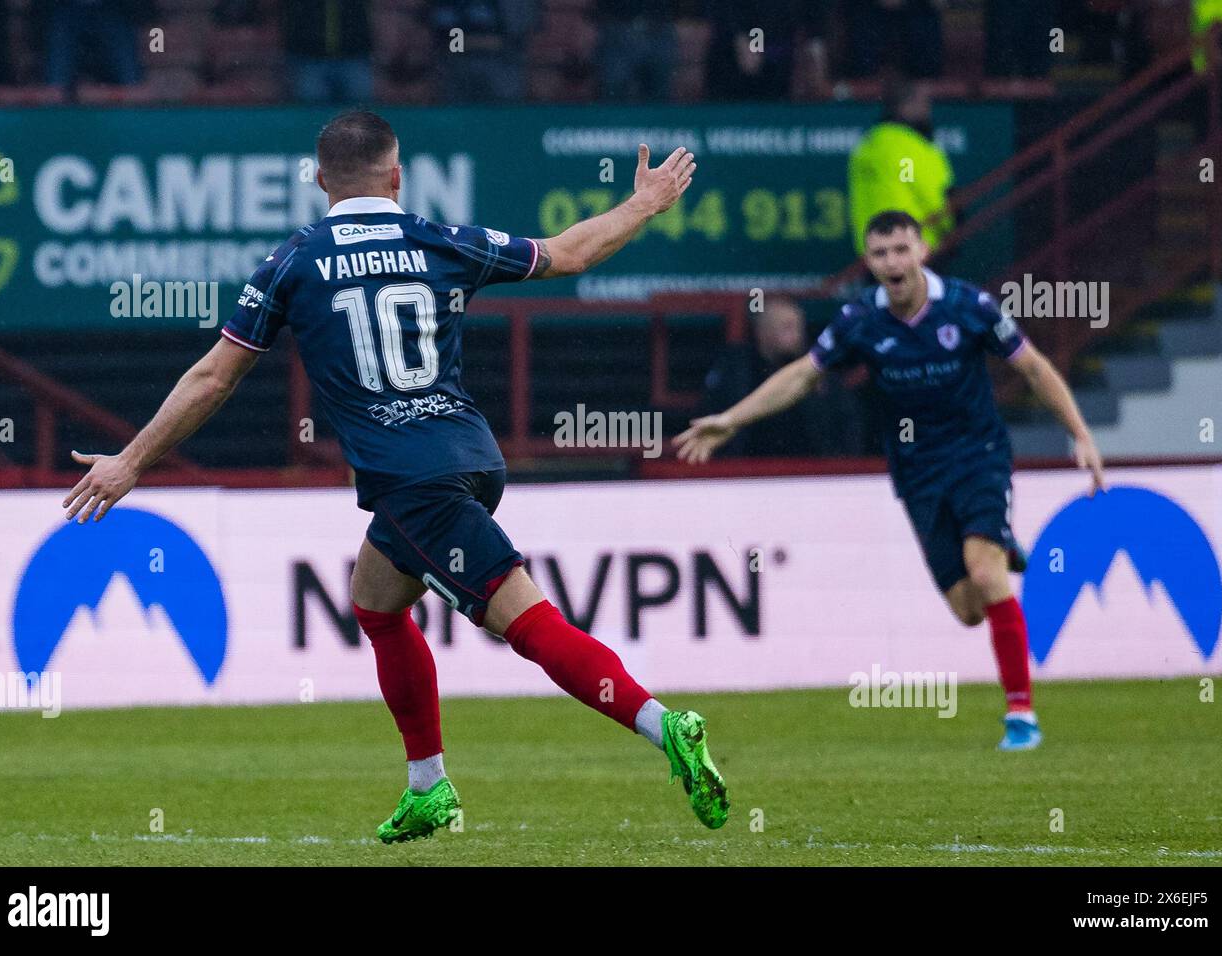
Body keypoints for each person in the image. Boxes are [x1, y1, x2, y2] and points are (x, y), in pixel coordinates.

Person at [63, 111, 729, 840]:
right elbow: (567, 254)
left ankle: (665, 726)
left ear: (319, 181)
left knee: (528, 624)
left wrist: (130, 461)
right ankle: (427, 785)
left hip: (412, 481)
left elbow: (213, 377)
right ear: (397, 175)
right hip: (469, 457)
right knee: (376, 602)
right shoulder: (440, 239)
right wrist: (643, 203)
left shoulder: (293, 261)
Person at [676, 210, 1107, 752]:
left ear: (922, 250)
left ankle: (1021, 713)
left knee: (984, 569)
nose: (892, 263)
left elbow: (1034, 368)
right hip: (917, 471)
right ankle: (999, 545)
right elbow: (802, 375)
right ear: (870, 261)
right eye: (880, 254)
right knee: (969, 609)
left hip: (978, 455)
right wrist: (731, 418)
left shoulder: (968, 307)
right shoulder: (860, 320)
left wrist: (1080, 433)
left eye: (901, 250)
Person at [699, 297, 866, 457]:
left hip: (811, 471)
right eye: (788, 327)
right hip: (749, 470)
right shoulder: (738, 371)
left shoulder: (816, 370)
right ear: (763, 332)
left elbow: (846, 425)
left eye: (799, 327)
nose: (797, 334)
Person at [848, 81, 953, 256]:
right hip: (912, 247)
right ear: (905, 106)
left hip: (872, 248)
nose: (928, 110)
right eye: (923, 103)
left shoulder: (867, 145)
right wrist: (951, 226)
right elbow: (930, 194)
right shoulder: (908, 145)